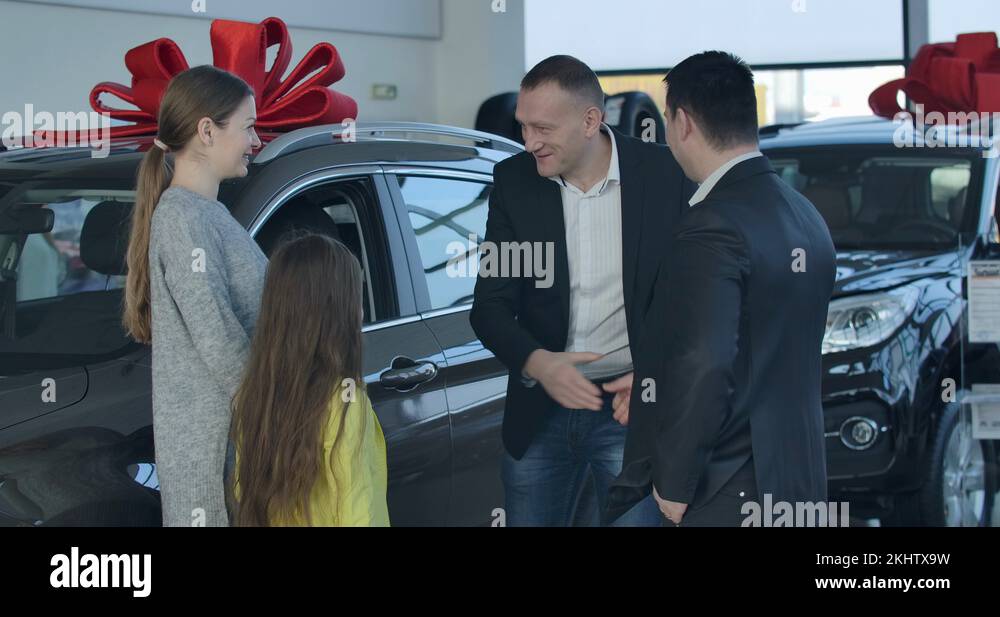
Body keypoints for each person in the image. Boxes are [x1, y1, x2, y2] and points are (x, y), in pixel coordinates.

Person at [606, 51, 837, 527]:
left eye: (667, 121)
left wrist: (673, 483)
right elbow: (760, 346)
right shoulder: (805, 215)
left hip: (724, 486)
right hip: (797, 479)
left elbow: (707, 364)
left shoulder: (711, 224)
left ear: (683, 122)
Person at [470, 55, 692, 526]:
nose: (530, 142)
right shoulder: (515, 183)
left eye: (543, 128)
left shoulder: (665, 175)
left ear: (591, 120)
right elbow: (489, 306)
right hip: (538, 414)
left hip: (631, 411)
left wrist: (657, 375)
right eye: (523, 126)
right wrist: (537, 362)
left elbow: (695, 302)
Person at [122, 65, 267, 527]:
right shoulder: (183, 218)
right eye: (247, 127)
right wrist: (279, 407)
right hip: (214, 458)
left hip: (230, 446)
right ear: (207, 131)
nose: (255, 140)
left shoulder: (204, 213)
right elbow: (217, 337)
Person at [230, 233, 389, 527]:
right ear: (336, 314)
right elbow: (361, 511)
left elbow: (242, 490)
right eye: (356, 299)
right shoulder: (345, 403)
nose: (362, 311)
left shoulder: (253, 397)